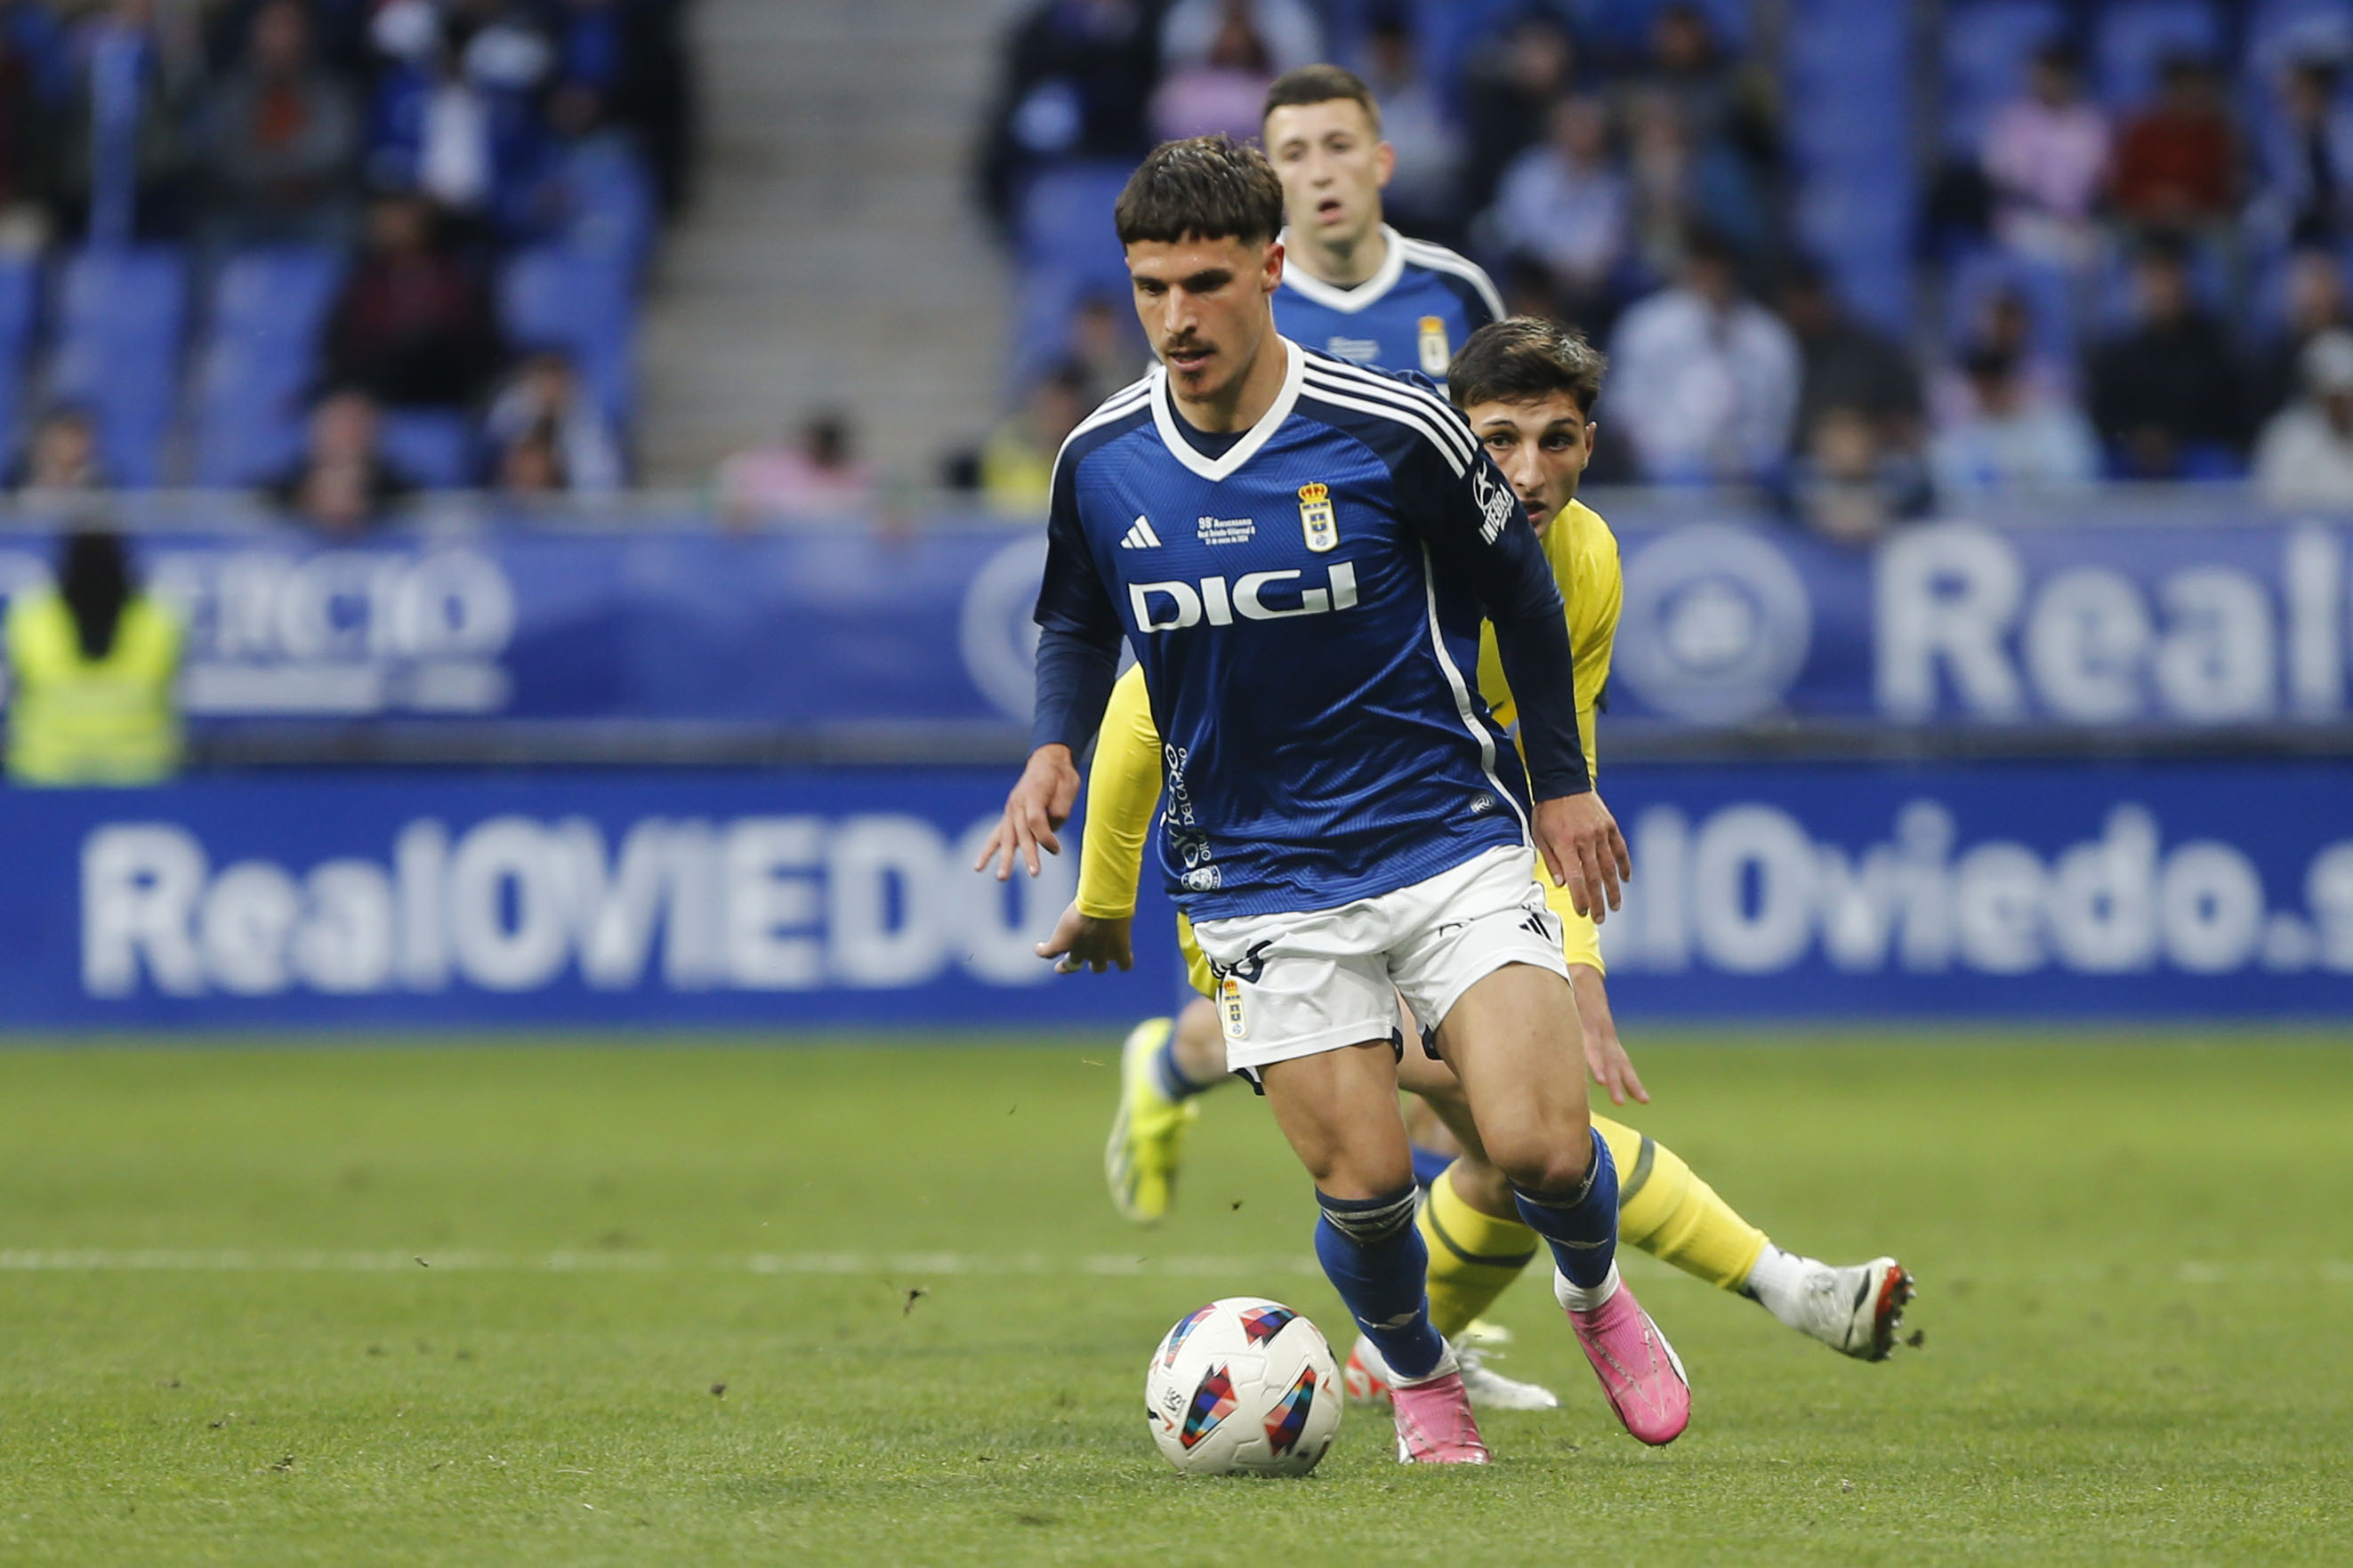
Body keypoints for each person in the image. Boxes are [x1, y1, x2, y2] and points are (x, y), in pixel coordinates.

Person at [978, 135, 1682, 1464]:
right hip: (1256, 872)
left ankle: (1594, 1293)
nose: (1177, 318)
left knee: (1537, 1141)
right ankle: (1419, 1377)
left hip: (1442, 832)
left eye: (1205, 282)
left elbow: (1525, 593)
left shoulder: (1393, 427)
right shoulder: (1102, 456)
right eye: (1149, 288)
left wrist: (1565, 787)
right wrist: (1051, 748)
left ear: (1271, 268)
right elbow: (1076, 615)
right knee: (1361, 1185)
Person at [1071, 317, 1914, 1407]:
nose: (1528, 472)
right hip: (1263, 876)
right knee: (1502, 1118)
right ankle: (1778, 1284)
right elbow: (1144, 711)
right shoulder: (1363, 530)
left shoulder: (1583, 561)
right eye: (1500, 441)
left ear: (1590, 444)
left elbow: (1561, 770)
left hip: (1434, 864)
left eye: (1555, 442)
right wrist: (1102, 898)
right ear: (1450, 439)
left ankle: (1403, 1358)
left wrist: (1578, 962)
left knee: (1517, 1143)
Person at [1258, 64, 1503, 389]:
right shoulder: (1246, 295)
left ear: (1381, 163)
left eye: (1338, 147)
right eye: (1295, 154)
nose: (1320, 174)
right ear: (1271, 179)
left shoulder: (1459, 291)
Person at [1607, 229, 1800, 484]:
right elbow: (1625, 406)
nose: (1713, 276)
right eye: (1704, 265)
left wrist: (1750, 460)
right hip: (1663, 468)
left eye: (1720, 266)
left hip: (1749, 475)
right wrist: (1655, 457)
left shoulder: (1768, 337)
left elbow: (1781, 416)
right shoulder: (1647, 326)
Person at [4, 528, 182, 786]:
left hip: (47, 773)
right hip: (137, 772)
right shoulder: (159, 617)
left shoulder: (31, 616)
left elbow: (16, 690)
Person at [194, 0, 359, 251]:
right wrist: (271, 177)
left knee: (344, 225)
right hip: (244, 205)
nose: (283, 37)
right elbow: (222, 153)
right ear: (254, 31)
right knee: (209, 232)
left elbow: (336, 150)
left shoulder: (330, 90)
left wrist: (288, 176)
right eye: (274, 26)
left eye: (291, 26)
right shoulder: (231, 90)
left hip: (311, 205)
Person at [2085, 236, 2247, 478]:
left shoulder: (2217, 349)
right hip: (2132, 458)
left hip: (2197, 453)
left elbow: (2232, 415)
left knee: (2219, 468)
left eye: (2168, 277)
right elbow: (2105, 418)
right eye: (2153, 278)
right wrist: (2137, 438)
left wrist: (2176, 439)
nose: (2161, 288)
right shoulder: (2118, 353)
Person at [268, 385, 416, 536]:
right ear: (316, 427)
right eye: (340, 423)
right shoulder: (278, 488)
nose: (349, 434)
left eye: (359, 425)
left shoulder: (406, 494)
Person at [2253, 328, 2353, 508]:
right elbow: (2272, 503)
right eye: (2333, 397)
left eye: (2347, 396)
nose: (2342, 405)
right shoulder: (2285, 437)